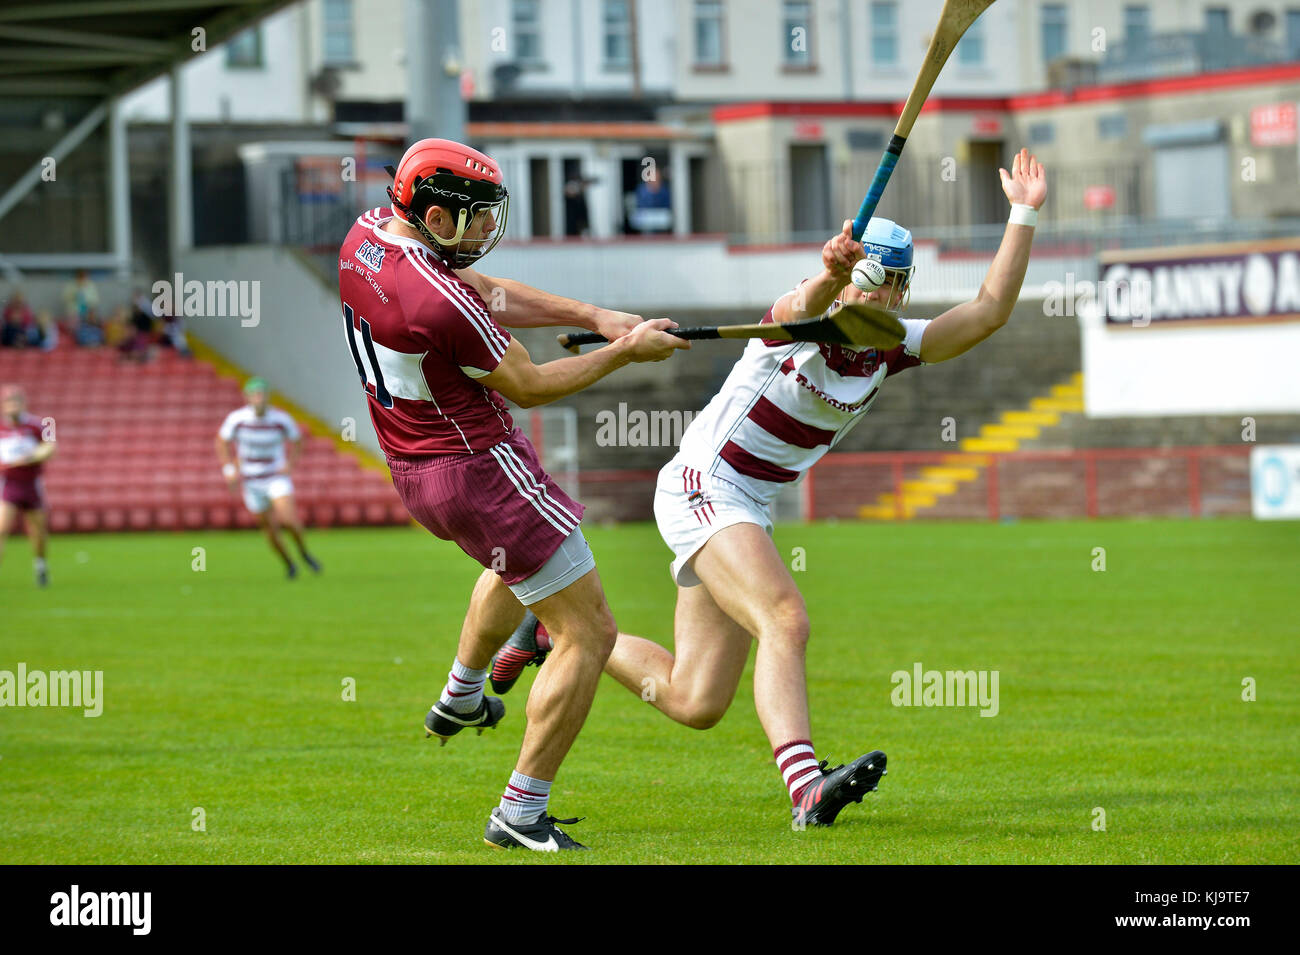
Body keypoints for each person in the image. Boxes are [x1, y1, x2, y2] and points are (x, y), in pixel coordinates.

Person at [492, 148, 1050, 829]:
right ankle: (807, 788)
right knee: (785, 617)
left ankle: (552, 634)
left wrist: (1022, 212)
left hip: (747, 508)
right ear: (851, 273)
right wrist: (827, 275)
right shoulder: (797, 324)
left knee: (695, 699)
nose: (879, 295)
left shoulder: (894, 345)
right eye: (870, 276)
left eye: (893, 283)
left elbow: (990, 310)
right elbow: (805, 302)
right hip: (705, 486)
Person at [337, 137, 686, 851]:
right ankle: (521, 809)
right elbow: (528, 382)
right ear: (435, 218)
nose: (484, 232)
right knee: (590, 631)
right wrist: (622, 352)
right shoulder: (436, 301)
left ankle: (462, 694)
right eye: (472, 219)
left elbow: (484, 294)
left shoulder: (366, 237)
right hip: (482, 469)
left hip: (417, 468)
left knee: (514, 570)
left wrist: (595, 317)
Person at [215, 378, 321, 579]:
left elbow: (297, 441)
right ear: (247, 397)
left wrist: (289, 465)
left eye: (262, 394)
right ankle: (289, 564)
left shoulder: (280, 419)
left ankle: (304, 552)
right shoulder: (237, 419)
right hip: (251, 482)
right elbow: (221, 442)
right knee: (269, 528)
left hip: (275, 478)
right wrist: (229, 470)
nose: (259, 398)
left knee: (287, 519)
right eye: (254, 395)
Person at [0, 384, 56, 587]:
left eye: (16, 401)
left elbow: (50, 448)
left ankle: (40, 564)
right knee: (2, 528)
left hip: (31, 484)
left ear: (23, 403)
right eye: (8, 402)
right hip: (9, 485)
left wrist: (30, 457)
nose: (12, 406)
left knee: (38, 530)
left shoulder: (40, 424)